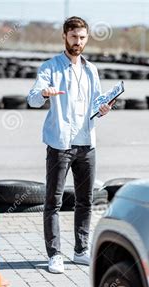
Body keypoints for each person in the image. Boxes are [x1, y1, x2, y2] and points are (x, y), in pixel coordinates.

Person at [27, 16, 112, 273]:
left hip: (87, 143)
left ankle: (81, 250)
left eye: (83, 37)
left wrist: (104, 108)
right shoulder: (50, 67)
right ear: (65, 36)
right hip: (60, 144)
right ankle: (54, 254)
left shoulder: (91, 70)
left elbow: (95, 103)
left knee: (85, 200)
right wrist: (44, 93)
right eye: (74, 37)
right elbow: (31, 98)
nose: (78, 42)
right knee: (53, 201)